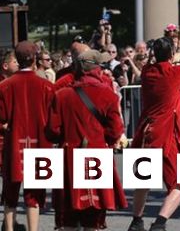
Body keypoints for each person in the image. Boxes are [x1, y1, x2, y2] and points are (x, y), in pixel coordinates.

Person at [127, 37, 180, 231]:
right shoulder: (175, 72)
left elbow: (154, 65)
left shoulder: (148, 72)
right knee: (179, 185)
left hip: (146, 132)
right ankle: (159, 223)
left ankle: (137, 220)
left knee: (143, 181)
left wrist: (173, 58)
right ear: (171, 54)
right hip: (166, 134)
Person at [47, 49, 128, 231]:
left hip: (69, 156)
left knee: (69, 214)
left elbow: (52, 130)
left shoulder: (62, 95)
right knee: (93, 215)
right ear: (96, 69)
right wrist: (102, 139)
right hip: (97, 155)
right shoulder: (108, 94)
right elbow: (116, 130)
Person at [0, 42, 55, 231]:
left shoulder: (5, 86)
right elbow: (53, 119)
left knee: (10, 193)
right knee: (34, 196)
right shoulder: (47, 86)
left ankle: (9, 229)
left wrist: (8, 125)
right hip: (40, 143)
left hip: (14, 144)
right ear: (34, 60)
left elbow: (1, 118)